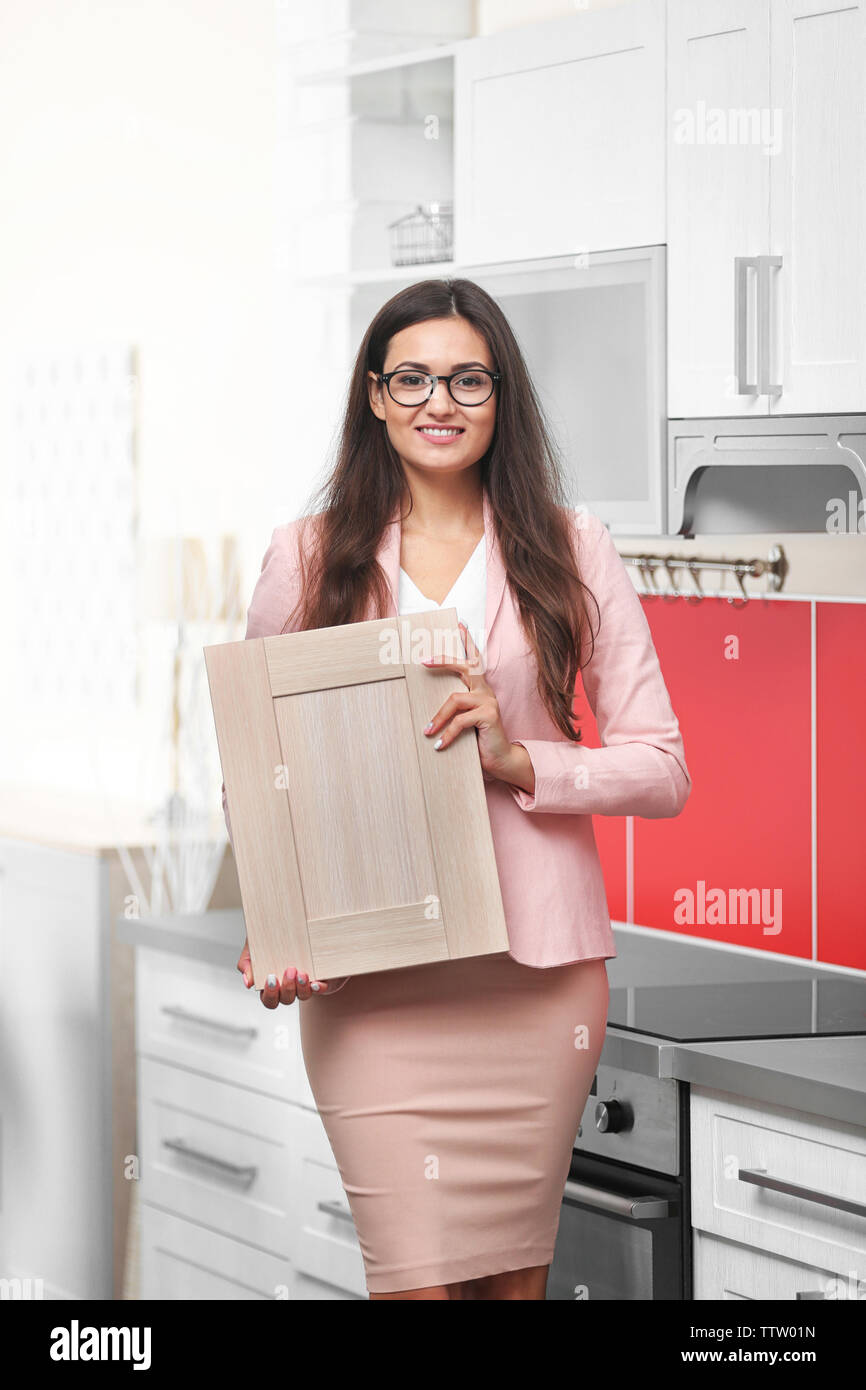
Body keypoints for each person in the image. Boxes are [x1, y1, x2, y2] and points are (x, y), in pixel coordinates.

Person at [223, 278, 691, 1300]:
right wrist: (279, 918)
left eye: (466, 378)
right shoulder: (305, 560)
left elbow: (662, 768)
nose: (440, 400)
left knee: (508, 1292)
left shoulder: (575, 549)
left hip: (535, 987)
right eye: (414, 378)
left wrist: (521, 759)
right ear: (376, 397)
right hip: (374, 991)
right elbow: (257, 771)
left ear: (498, 395)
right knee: (413, 1287)